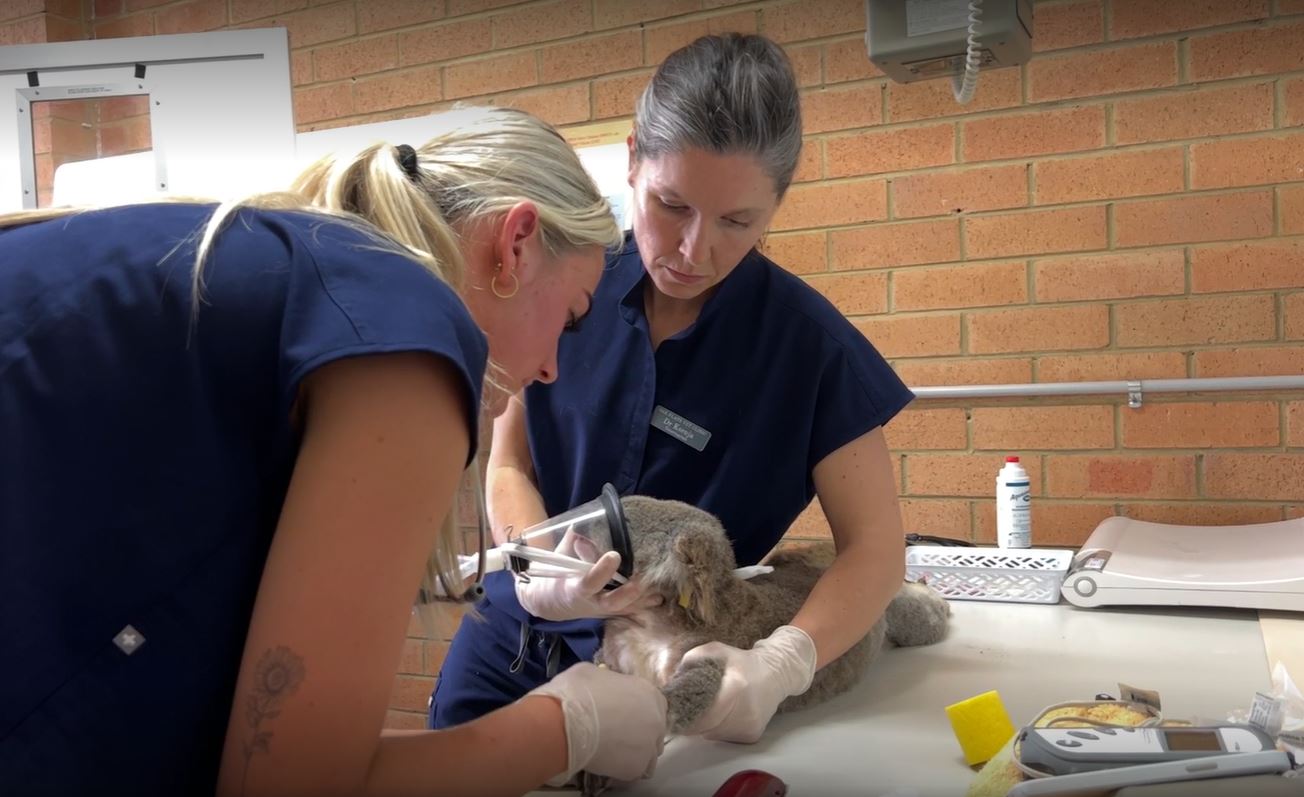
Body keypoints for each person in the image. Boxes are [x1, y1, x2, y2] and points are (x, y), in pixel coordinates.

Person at [0, 107, 669, 796]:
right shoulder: (409, 330)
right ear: (518, 244)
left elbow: (273, 746)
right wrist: (568, 726)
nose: (554, 366)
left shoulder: (296, 267)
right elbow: (289, 784)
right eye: (571, 316)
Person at [429, 33, 914, 746]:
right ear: (632, 161)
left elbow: (876, 549)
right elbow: (509, 466)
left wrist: (786, 660)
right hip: (517, 633)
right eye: (671, 205)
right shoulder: (564, 285)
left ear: (777, 203)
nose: (694, 250)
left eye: (736, 221)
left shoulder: (812, 351)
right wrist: (538, 562)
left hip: (669, 666)